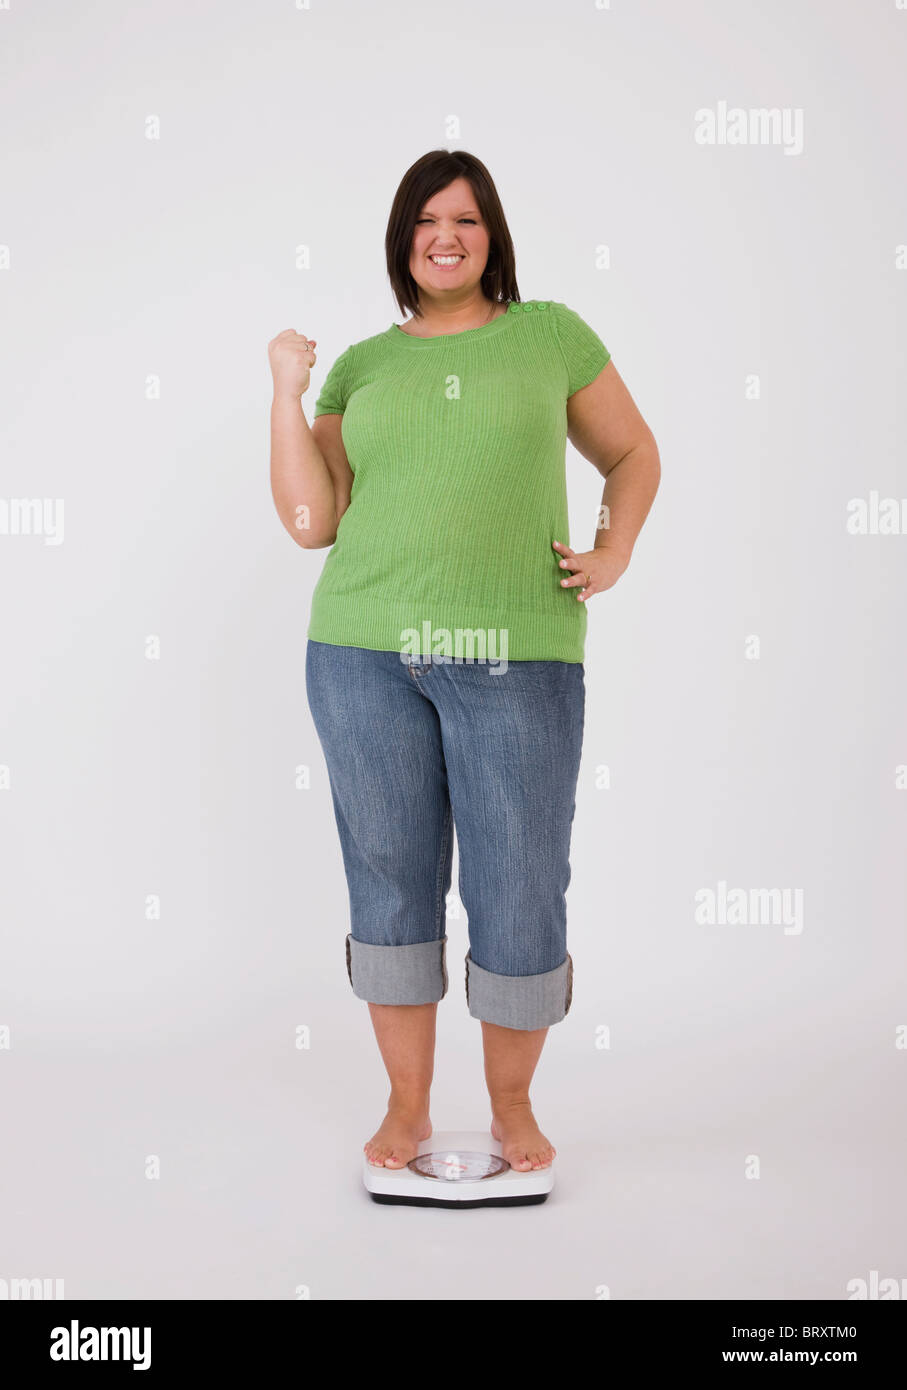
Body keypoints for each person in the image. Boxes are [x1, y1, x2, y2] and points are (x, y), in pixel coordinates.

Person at [268, 149, 660, 1174]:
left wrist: (612, 548)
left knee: (520, 888)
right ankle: (405, 1110)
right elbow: (313, 522)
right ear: (403, 240)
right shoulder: (361, 364)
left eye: (468, 219)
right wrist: (284, 391)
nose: (447, 235)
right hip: (361, 653)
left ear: (493, 237)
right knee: (390, 883)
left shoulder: (550, 336)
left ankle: (511, 1107)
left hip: (516, 657)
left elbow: (632, 453)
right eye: (427, 219)